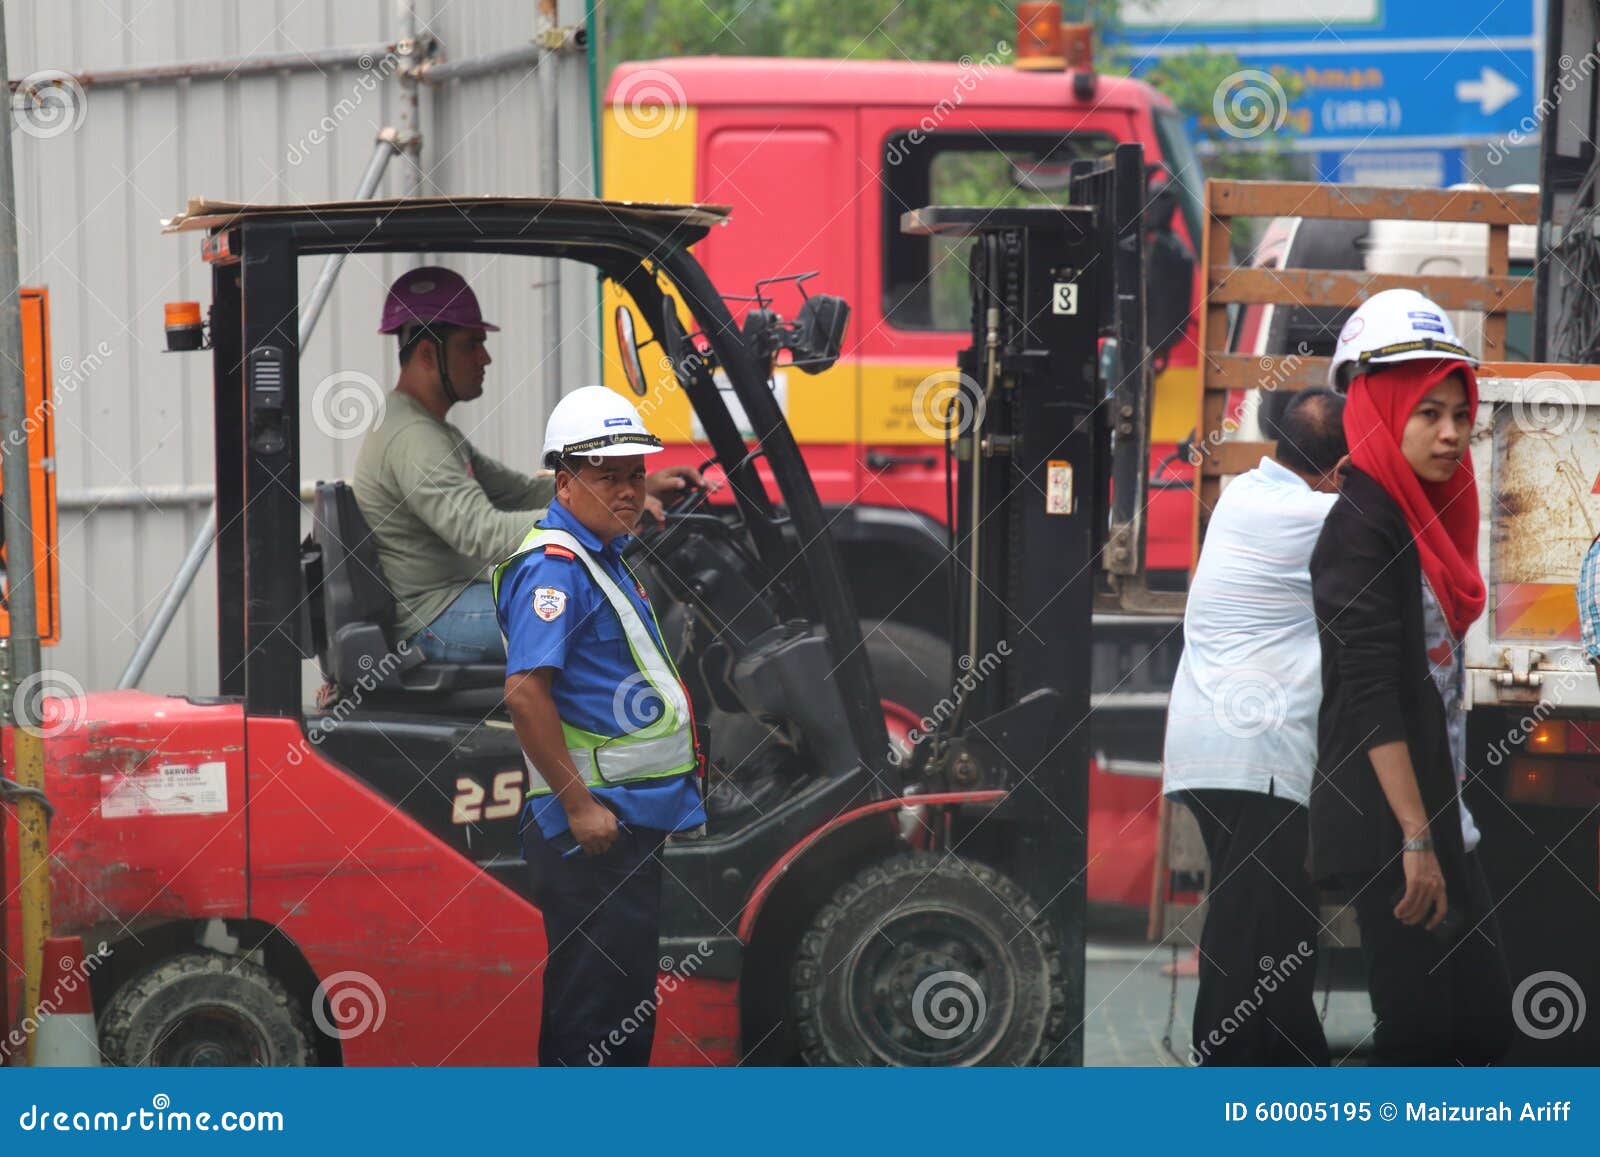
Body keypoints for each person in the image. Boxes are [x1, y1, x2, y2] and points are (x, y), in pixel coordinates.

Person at [1311, 289, 1513, 1065]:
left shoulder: (1422, 513)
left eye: (1460, 414)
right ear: (1381, 409)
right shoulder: (1361, 528)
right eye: (1428, 413)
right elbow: (1370, 693)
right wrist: (1417, 838)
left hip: (1436, 814)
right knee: (1423, 1035)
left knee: (1477, 1026)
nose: (1451, 433)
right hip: (1393, 830)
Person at [493, 386, 708, 1067]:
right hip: (595, 830)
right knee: (597, 1021)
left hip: (624, 823)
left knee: (611, 1011)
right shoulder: (554, 570)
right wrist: (580, 806)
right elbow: (526, 693)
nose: (627, 489)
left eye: (634, 474)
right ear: (564, 482)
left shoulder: (600, 557)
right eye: (607, 475)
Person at [354, 267, 696, 664]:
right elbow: (482, 532)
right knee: (603, 608)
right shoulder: (413, 437)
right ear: (429, 354)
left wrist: (628, 487)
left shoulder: (430, 428)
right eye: (471, 344)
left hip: (458, 596)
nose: (485, 357)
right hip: (434, 618)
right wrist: (593, 515)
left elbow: (520, 492)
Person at [1162, 387, 1346, 1067]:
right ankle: (1227, 1060)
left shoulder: (1242, 493)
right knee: (1249, 915)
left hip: (1207, 742)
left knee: (1282, 908)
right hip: (1258, 752)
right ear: (1338, 468)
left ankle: (1292, 1054)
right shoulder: (1323, 516)